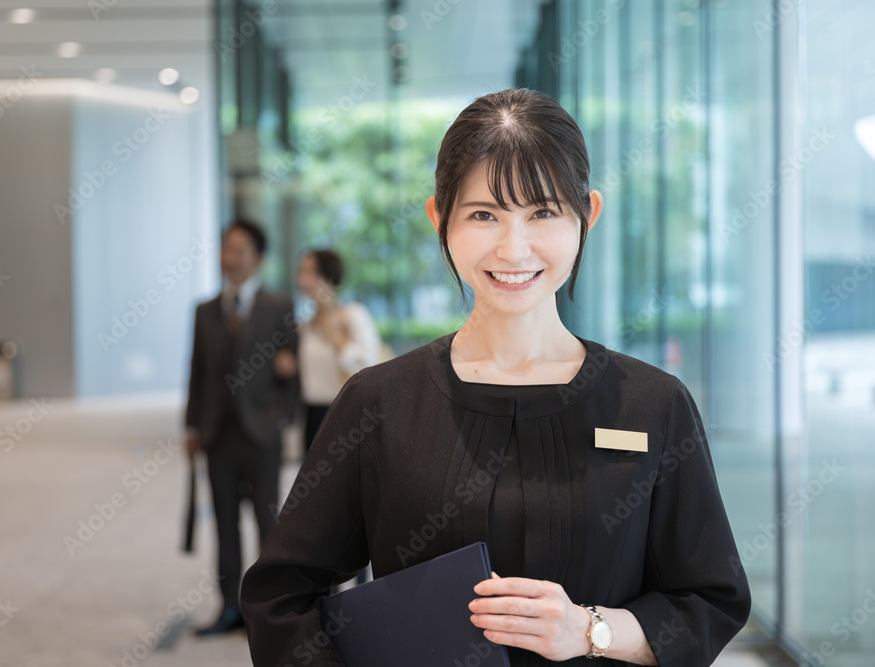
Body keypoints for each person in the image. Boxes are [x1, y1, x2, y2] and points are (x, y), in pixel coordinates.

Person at [240, 89, 751, 665]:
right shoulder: (379, 403)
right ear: (440, 218)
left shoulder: (652, 405)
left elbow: (710, 602)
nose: (514, 248)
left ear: (589, 215)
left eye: (543, 212)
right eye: (484, 214)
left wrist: (589, 630)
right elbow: (280, 597)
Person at [184, 219, 298, 636]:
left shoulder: (277, 305)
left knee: (269, 524)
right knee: (225, 525)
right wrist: (192, 427)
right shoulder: (205, 310)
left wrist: (281, 420)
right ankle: (229, 609)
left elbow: (292, 370)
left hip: (261, 434)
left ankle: (268, 612)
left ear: (258, 258)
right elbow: (196, 372)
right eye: (225, 249)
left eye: (238, 250)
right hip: (218, 435)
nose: (228, 257)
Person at [295, 248, 382, 451]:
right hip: (312, 415)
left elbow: (369, 363)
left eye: (311, 272)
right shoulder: (305, 326)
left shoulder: (353, 314)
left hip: (346, 413)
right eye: (302, 272)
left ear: (329, 277)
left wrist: (334, 335)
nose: (303, 279)